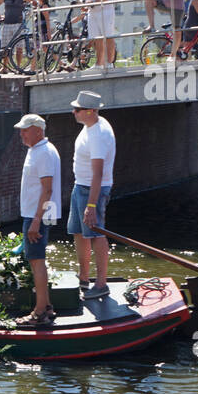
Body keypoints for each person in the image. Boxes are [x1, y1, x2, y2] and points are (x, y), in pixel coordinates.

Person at [13, 113, 60, 327]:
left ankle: (40, 312)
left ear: (38, 130)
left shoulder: (44, 153)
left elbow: (47, 189)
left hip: (36, 215)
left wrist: (35, 221)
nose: (21, 133)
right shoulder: (37, 150)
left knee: (37, 260)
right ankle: (47, 306)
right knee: (36, 259)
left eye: (25, 129)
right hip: (35, 214)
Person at [69, 91, 115, 300]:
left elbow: (98, 173)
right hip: (81, 186)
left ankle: (102, 283)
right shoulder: (93, 124)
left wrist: (92, 206)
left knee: (96, 233)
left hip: (91, 190)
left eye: (78, 109)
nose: (74, 112)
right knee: (79, 232)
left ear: (91, 111)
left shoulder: (98, 134)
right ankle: (84, 278)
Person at [63, 0, 114, 69]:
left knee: (108, 36)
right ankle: (98, 64)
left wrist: (93, 2)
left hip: (105, 11)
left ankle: (109, 63)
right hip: (93, 13)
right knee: (96, 38)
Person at [0, 0, 38, 71]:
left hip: (19, 23)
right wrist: (0, 17)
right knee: (5, 47)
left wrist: (30, 11)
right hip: (7, 23)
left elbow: (34, 2)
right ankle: (5, 67)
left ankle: (18, 67)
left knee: (19, 48)